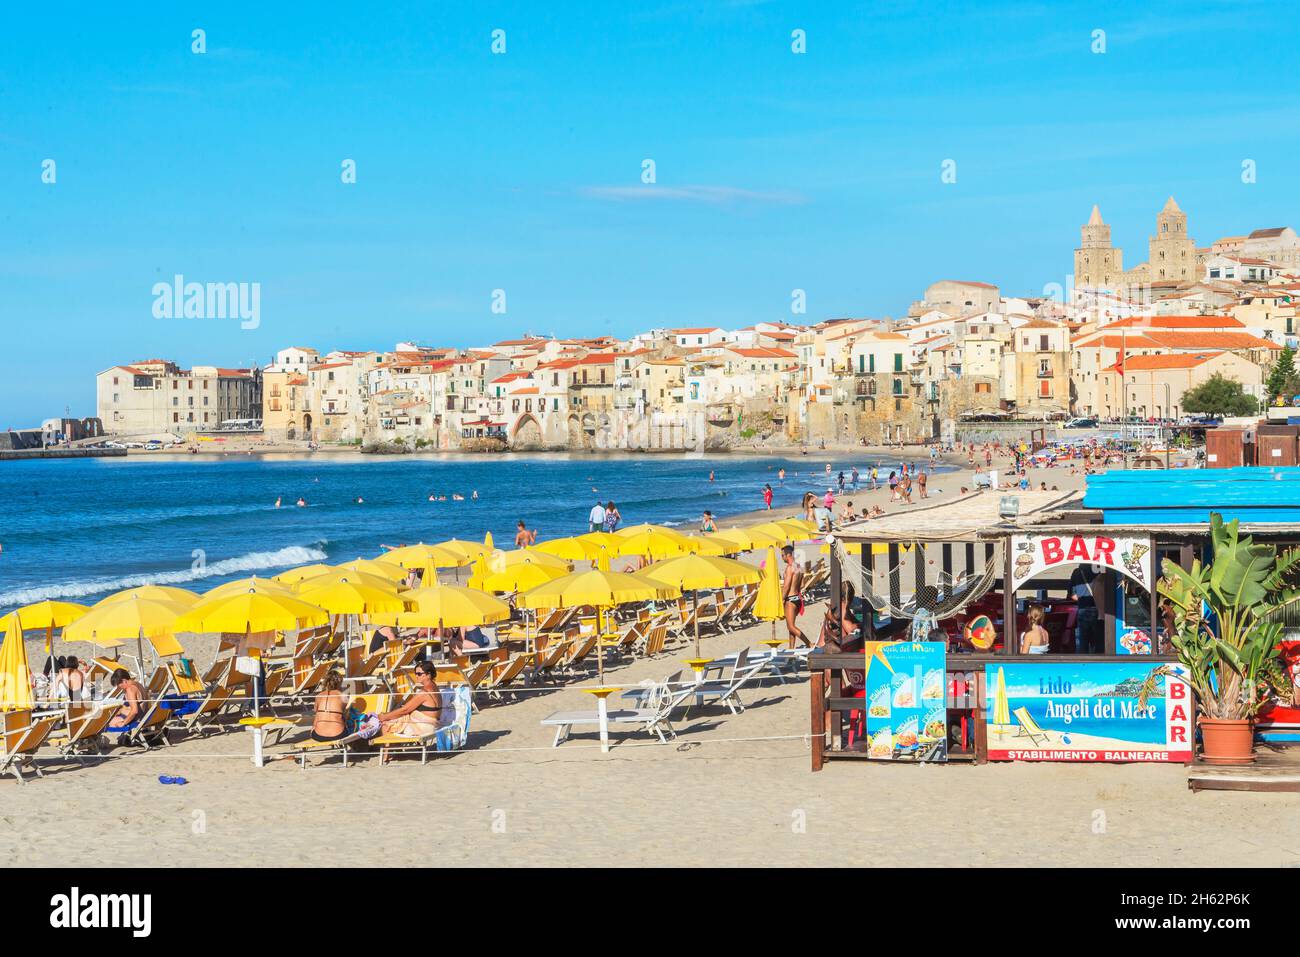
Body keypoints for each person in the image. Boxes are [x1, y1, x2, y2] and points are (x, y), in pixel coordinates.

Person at [377, 660, 446, 739]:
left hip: (423, 727)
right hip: (431, 725)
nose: (416, 676)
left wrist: (384, 717)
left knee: (386, 725)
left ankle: (386, 750)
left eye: (419, 674)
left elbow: (405, 710)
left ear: (428, 675)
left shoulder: (424, 692)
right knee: (393, 720)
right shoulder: (434, 687)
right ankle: (393, 750)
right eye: (415, 673)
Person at [781, 545, 807, 649]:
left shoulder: (789, 568)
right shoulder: (799, 567)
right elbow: (802, 585)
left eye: (783, 555)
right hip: (797, 598)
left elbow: (786, 586)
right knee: (791, 626)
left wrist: (782, 599)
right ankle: (791, 648)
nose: (782, 557)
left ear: (788, 555)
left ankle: (808, 643)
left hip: (790, 599)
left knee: (791, 626)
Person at [1071, 564, 1101, 654]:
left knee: (1083, 640)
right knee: (1098, 639)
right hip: (1098, 609)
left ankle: (1083, 662)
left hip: (1083, 609)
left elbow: (1073, 595)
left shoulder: (1076, 572)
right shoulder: (1099, 571)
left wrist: (1082, 599)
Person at [311, 671, 349, 742]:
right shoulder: (343, 696)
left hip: (318, 735)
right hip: (338, 734)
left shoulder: (319, 696)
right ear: (339, 683)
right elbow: (346, 715)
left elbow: (316, 712)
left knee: (318, 715)